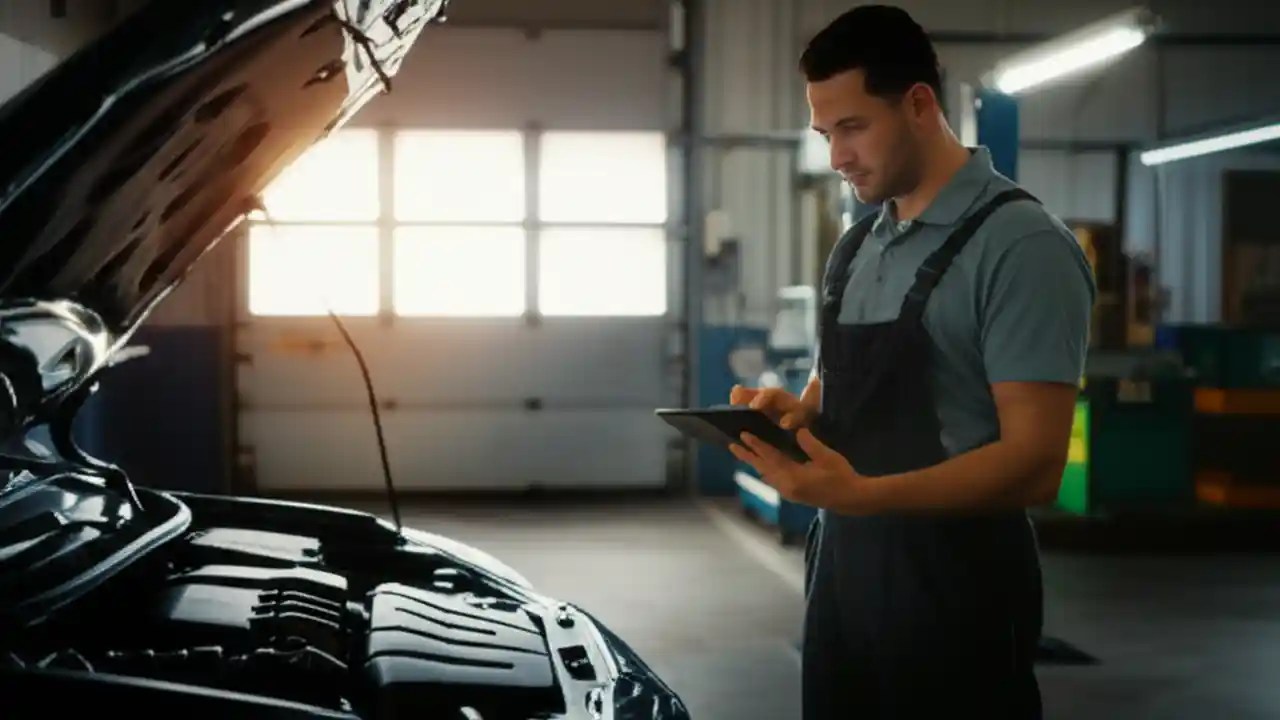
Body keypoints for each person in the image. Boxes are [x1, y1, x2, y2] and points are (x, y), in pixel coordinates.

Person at [727, 5, 1096, 719]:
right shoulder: (857, 247)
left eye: (853, 127)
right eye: (826, 133)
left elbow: (1035, 463)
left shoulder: (1022, 248)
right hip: (843, 579)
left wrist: (861, 494)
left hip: (959, 596)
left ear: (920, 105)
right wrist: (797, 415)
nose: (837, 155)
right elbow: (831, 388)